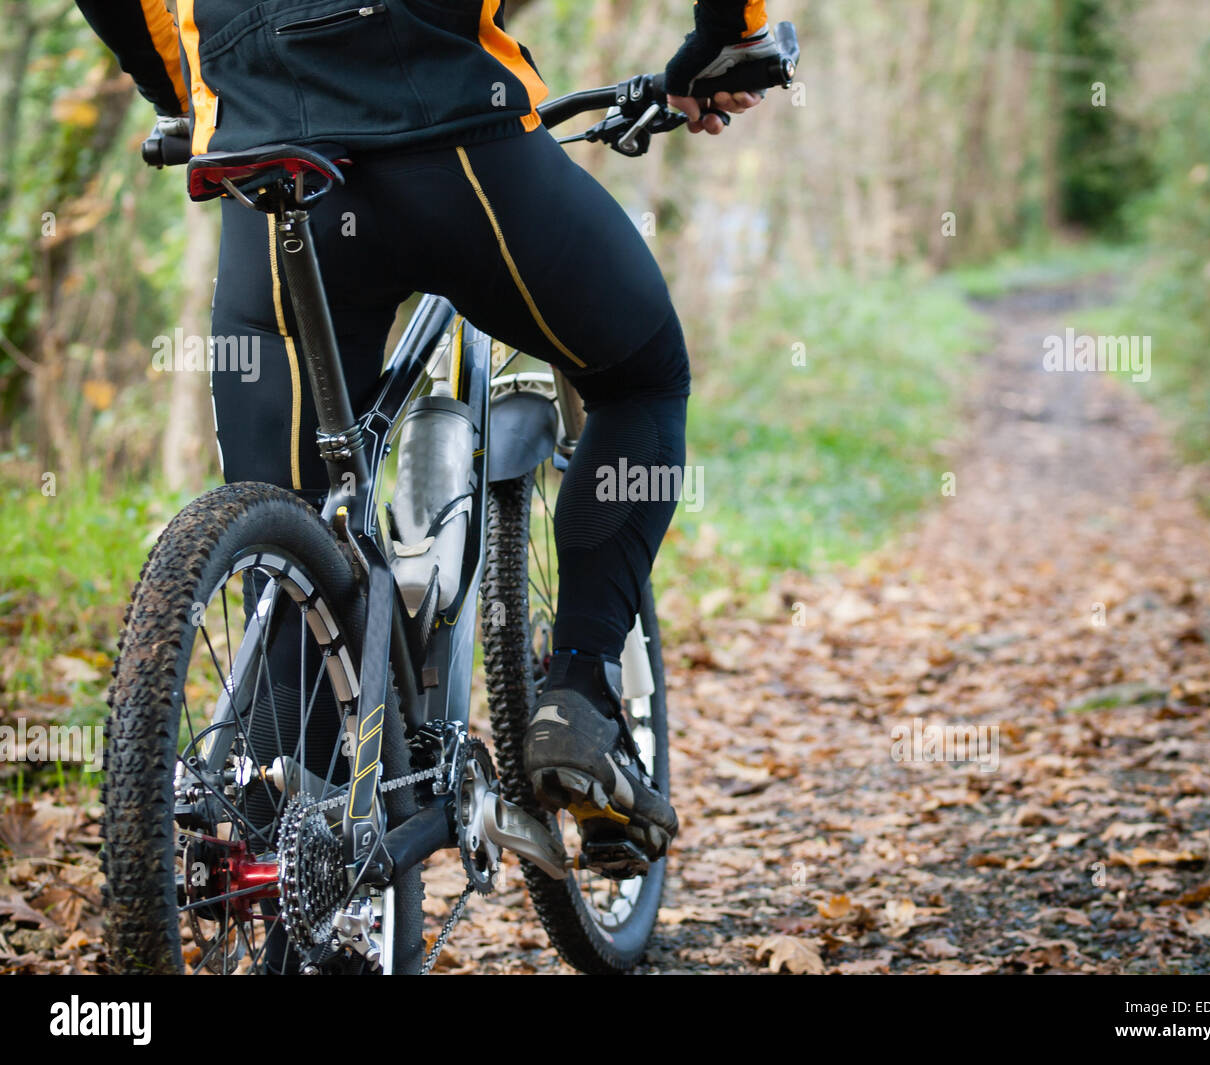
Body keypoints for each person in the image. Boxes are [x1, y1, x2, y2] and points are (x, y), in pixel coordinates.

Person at [75, 0, 776, 877]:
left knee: (293, 537)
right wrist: (727, 39)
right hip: (453, 136)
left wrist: (196, 85)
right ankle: (581, 692)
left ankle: (274, 819)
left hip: (263, 150)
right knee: (642, 375)